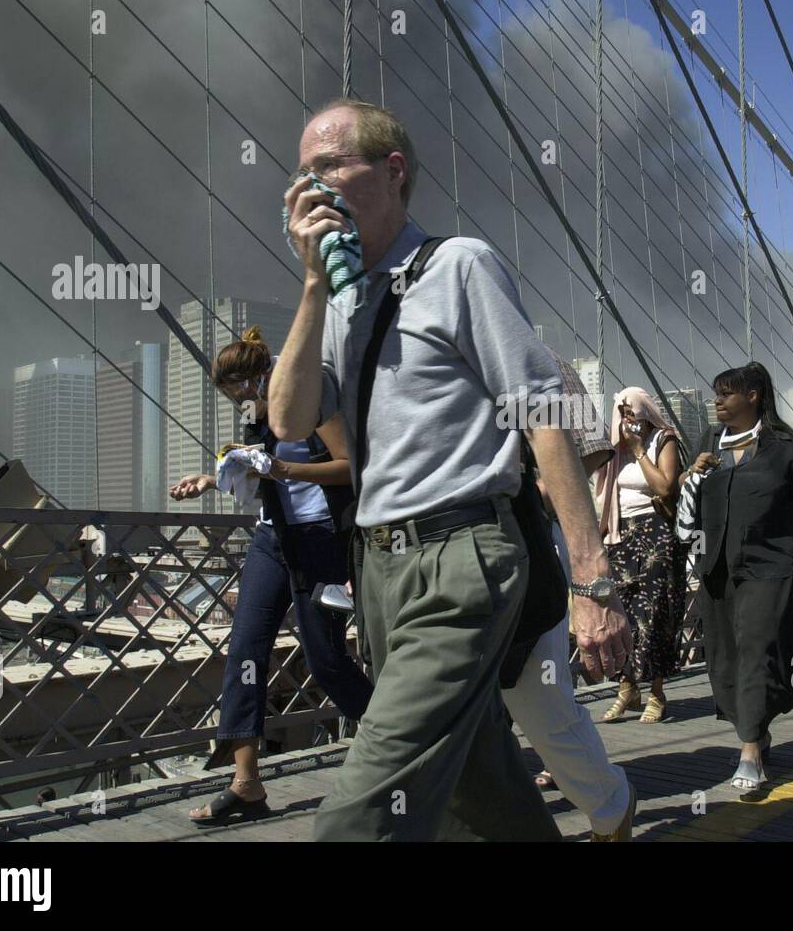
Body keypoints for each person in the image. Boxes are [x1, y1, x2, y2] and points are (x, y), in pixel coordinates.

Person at [268, 99, 631, 841]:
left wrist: (592, 579)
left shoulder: (460, 267)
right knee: (477, 787)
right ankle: (608, 816)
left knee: (367, 803)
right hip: (378, 572)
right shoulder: (338, 303)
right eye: (302, 174)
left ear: (393, 172)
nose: (312, 187)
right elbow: (290, 421)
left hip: (462, 558)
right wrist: (311, 288)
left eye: (330, 166)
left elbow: (547, 417)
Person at [172, 328, 372, 825]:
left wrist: (283, 470)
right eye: (231, 396)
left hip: (320, 539)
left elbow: (350, 468)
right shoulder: (253, 408)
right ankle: (246, 785)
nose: (240, 402)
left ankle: (403, 744)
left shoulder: (307, 392)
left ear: (261, 378)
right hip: (271, 539)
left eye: (242, 391)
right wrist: (210, 477)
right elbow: (258, 464)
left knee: (326, 660)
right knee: (244, 651)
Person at [686, 364, 793, 788]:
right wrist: (691, 474)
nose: (716, 401)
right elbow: (683, 500)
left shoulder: (788, 447)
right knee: (724, 657)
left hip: (769, 567)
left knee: (757, 649)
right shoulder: (708, 443)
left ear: (754, 395)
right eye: (715, 394)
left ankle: (751, 748)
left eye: (726, 394)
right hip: (716, 568)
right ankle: (755, 726)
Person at [503, 349, 637, 841]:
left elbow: (592, 449)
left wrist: (533, 490)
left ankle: (609, 806)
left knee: (537, 696)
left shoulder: (537, 358)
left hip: (527, 538)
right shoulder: (390, 336)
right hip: (425, 552)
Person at [594, 387, 684, 724]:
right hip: (621, 537)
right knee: (624, 615)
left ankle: (657, 692)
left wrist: (638, 451)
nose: (627, 419)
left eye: (631, 412)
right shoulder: (615, 452)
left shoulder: (664, 440)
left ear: (645, 411)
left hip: (657, 532)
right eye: (621, 413)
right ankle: (627, 689)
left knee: (655, 612)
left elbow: (665, 488)